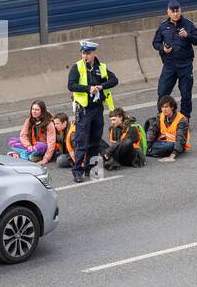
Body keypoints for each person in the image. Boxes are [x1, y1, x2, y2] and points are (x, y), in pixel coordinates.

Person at [67, 40, 117, 183]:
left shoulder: (101, 67)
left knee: (95, 141)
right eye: (83, 53)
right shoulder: (76, 67)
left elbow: (114, 80)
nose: (85, 56)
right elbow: (71, 85)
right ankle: (77, 171)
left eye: (88, 53)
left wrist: (101, 86)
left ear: (94, 53)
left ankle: (90, 168)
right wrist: (88, 88)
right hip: (83, 110)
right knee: (81, 142)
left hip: (97, 109)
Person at [152, 0, 197, 119]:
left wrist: (188, 35)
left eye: (177, 11)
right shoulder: (163, 26)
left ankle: (184, 120)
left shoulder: (188, 24)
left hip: (185, 65)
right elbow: (155, 43)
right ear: (168, 12)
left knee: (186, 94)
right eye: (172, 11)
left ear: (180, 11)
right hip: (169, 65)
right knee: (162, 93)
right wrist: (162, 49)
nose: (175, 14)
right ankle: (162, 119)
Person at [8, 100, 56, 165]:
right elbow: (23, 135)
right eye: (33, 109)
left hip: (43, 147)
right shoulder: (29, 120)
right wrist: (28, 146)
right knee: (12, 141)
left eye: (37, 110)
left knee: (40, 145)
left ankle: (22, 155)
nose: (34, 111)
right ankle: (29, 156)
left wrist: (46, 159)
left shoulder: (49, 123)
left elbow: (51, 143)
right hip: (31, 146)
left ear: (42, 111)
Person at [146, 95, 189, 161]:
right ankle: (149, 150)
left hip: (174, 144)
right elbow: (153, 129)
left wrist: (173, 155)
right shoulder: (160, 115)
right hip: (161, 142)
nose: (164, 109)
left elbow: (181, 139)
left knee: (168, 146)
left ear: (172, 107)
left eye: (166, 107)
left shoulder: (182, 120)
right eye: (162, 107)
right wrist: (148, 144)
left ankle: (148, 152)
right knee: (146, 140)